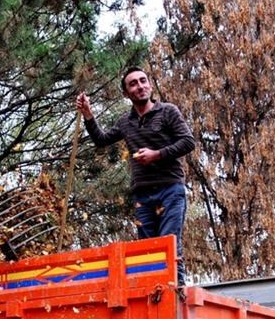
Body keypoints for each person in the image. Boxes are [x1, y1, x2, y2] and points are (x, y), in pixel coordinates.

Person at [76, 66, 196, 284]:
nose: (140, 86)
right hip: (142, 195)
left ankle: (177, 294)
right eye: (133, 83)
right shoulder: (125, 122)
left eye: (143, 81)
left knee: (168, 243)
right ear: (126, 93)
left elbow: (188, 142)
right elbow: (101, 140)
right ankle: (155, 294)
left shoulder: (168, 111)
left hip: (170, 189)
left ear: (149, 85)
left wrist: (156, 154)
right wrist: (88, 115)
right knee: (147, 251)